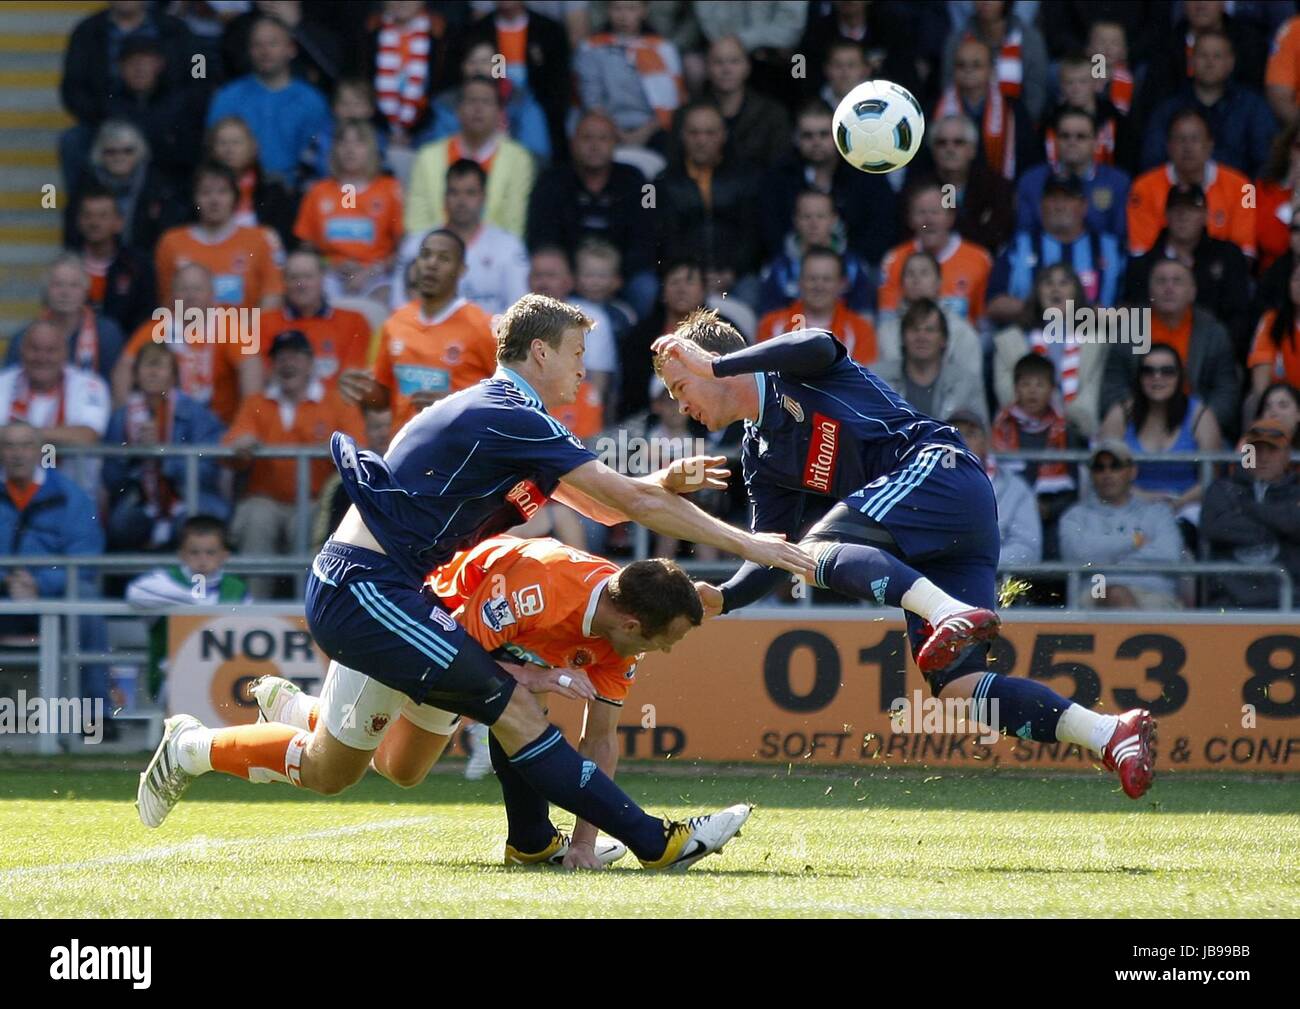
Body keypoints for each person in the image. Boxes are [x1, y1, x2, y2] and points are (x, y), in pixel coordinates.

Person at [140, 291, 813, 869]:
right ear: (540, 354)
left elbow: (607, 502)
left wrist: (658, 483)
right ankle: (653, 840)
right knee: (515, 709)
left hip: (396, 590)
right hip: (366, 587)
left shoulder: (523, 421)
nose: (584, 372)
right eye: (576, 356)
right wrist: (747, 541)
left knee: (350, 768)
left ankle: (193, 745)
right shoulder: (512, 414)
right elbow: (626, 505)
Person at [655, 315, 1155, 798]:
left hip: (941, 471)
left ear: (712, 361)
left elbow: (818, 341)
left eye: (681, 387)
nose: (681, 406)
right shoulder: (761, 456)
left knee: (821, 548)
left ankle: (948, 614)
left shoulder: (791, 368)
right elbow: (771, 551)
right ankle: (1108, 733)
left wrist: (714, 366)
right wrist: (722, 598)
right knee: (958, 687)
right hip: (935, 530)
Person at [249, 535, 708, 868]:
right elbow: (458, 657)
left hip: (478, 652)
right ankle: (195, 747)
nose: (664, 651)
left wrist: (585, 844)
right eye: (665, 641)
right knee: (332, 772)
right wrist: (534, 676)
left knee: (403, 771)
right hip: (420, 624)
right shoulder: (539, 589)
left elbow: (600, 740)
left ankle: (301, 710)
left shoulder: (621, 639)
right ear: (630, 624)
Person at [223, 330, 366, 598]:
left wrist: (335, 450)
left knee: (311, 522)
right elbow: (230, 450)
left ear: (311, 363)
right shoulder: (257, 403)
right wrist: (241, 445)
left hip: (315, 501)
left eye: (296, 356)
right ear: (272, 365)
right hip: (265, 499)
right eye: (281, 357)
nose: (288, 363)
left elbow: (358, 451)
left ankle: (308, 612)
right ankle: (253, 612)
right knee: (256, 519)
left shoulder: (337, 401)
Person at [0, 420, 109, 716]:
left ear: (39, 451)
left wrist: (39, 584)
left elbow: (86, 558)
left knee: (86, 600)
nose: (17, 454)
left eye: (25, 445)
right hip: (4, 593)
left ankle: (96, 713)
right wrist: (7, 581)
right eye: (9, 445)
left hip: (53, 595)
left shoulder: (71, 496)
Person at [340, 230, 497, 434]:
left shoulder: (482, 326)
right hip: (405, 455)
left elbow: (513, 398)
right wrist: (361, 390)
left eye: (444, 258)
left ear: (461, 270)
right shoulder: (395, 323)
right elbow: (384, 398)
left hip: (461, 457)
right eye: (425, 255)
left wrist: (458, 406)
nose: (431, 264)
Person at [526, 110, 657, 320]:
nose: (595, 145)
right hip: (569, 275)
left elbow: (648, 234)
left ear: (615, 142)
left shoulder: (636, 180)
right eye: (587, 137)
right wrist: (574, 276)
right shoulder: (551, 181)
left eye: (603, 138)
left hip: (621, 274)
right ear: (573, 142)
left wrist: (614, 275)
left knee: (647, 288)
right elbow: (542, 237)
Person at [103, 342, 227, 551]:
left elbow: (208, 471)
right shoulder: (121, 418)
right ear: (135, 375)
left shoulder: (197, 415)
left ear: (173, 376)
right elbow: (112, 478)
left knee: (192, 525)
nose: (153, 372)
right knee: (121, 525)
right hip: (141, 501)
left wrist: (164, 454)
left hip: (190, 496)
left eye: (160, 366)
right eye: (147, 365)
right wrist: (133, 455)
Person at [1102, 259, 1240, 437]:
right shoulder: (1129, 329)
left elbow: (1226, 390)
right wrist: (1140, 419)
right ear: (1150, 291)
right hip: (1138, 426)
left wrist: (1201, 422)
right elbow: (1113, 386)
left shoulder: (1213, 332)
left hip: (1197, 427)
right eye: (1161, 281)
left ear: (1192, 292)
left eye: (1177, 281)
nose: (1169, 288)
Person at [114, 263, 264, 427]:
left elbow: (251, 367)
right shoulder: (159, 326)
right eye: (183, 289)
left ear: (212, 295)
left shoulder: (229, 326)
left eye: (198, 289)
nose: (191, 295)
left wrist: (245, 424)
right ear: (172, 296)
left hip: (219, 428)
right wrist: (131, 419)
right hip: (167, 427)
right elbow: (125, 367)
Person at [125, 515, 250, 702]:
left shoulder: (237, 588)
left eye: (210, 553)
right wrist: (198, 604)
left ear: (225, 555)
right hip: (169, 679)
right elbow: (135, 593)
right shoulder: (163, 580)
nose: (202, 560)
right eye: (194, 552)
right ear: (182, 554)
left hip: (223, 677)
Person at [761, 100, 898, 270]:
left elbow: (881, 228)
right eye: (807, 135)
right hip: (793, 268)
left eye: (824, 134)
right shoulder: (779, 177)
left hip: (856, 268)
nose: (816, 142)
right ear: (796, 139)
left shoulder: (866, 174)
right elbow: (772, 232)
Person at [1099, 343, 1222, 529]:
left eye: (1167, 371)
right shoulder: (1120, 414)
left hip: (1186, 508)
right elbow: (1102, 472)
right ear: (1139, 377)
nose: (1157, 377)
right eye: (1149, 371)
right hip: (1128, 504)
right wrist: (1144, 498)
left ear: (1180, 376)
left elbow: (1210, 477)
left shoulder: (1201, 416)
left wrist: (1177, 502)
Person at [654, 101, 762, 309]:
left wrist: (731, 273)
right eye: (694, 133)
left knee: (751, 296)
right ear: (682, 136)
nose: (701, 140)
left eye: (709, 133)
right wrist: (695, 278)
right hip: (683, 277)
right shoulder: (665, 182)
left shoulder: (747, 178)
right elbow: (665, 239)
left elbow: (753, 235)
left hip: (736, 276)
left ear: (723, 135)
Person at [1124, 182, 1253, 355]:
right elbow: (1134, 317)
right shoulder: (1142, 265)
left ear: (1205, 215)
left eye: (1191, 209)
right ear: (1166, 215)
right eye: (1176, 210)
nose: (1182, 216)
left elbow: (1239, 315)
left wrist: (1216, 351)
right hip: (1152, 358)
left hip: (1213, 356)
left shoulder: (1228, 256)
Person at [391, 159, 530, 316]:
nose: (461, 201)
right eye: (454, 192)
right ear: (444, 196)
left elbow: (519, 309)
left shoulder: (509, 246)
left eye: (470, 193)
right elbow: (399, 306)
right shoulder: (415, 245)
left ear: (483, 197)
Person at [1059, 441, 1186, 610]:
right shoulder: (1075, 516)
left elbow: (1169, 555)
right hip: (1097, 591)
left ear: (1132, 471)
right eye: (1099, 467)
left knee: (1122, 595)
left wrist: (1104, 557)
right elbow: (1076, 555)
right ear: (1091, 474)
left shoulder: (1158, 513)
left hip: (1154, 593)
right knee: (1116, 594)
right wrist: (1135, 542)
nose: (1107, 473)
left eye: (1115, 466)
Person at [204, 15, 332, 183]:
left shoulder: (312, 101)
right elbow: (212, 154)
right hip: (237, 189)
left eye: (273, 43)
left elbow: (322, 159)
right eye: (258, 45)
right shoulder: (228, 97)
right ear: (249, 50)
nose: (265, 51)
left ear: (291, 48)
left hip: (295, 192)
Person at [986, 173, 1124, 326]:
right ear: (1040, 205)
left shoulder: (1110, 248)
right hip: (1030, 340)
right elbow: (993, 304)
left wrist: (1086, 312)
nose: (1059, 206)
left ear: (1084, 205)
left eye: (1068, 198)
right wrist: (1038, 308)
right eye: (1052, 198)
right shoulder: (1019, 246)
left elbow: (1132, 309)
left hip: (1096, 340)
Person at [405, 77, 535, 238]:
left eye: (486, 102)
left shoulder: (518, 159)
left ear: (499, 113)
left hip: (494, 255)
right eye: (471, 101)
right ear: (458, 110)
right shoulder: (428, 157)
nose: (478, 108)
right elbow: (417, 225)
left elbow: (514, 225)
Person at [1141, 30, 1276, 179]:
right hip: (1179, 197)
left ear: (1230, 63)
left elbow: (1266, 163)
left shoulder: (1252, 107)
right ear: (1191, 61)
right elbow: (1152, 162)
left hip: (1238, 196)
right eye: (1203, 56)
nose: (1209, 63)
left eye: (1217, 56)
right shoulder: (1168, 109)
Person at [294, 119, 403, 304]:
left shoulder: (390, 190)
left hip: (377, 275)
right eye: (343, 142)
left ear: (371, 149)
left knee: (387, 296)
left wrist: (371, 271)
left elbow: (402, 247)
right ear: (334, 149)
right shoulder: (318, 192)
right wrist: (330, 266)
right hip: (329, 275)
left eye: (359, 142)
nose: (350, 149)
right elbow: (306, 247)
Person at [992, 262, 1106, 439]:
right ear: (1037, 292)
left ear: (1076, 293)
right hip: (1021, 434)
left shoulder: (1097, 341)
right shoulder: (1009, 340)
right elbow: (1006, 391)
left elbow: (1093, 392)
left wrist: (1062, 421)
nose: (1055, 289)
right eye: (1048, 283)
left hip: (1077, 435)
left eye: (1064, 283)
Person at [0, 319, 111, 498]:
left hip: (72, 497)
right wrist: (51, 436)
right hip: (7, 497)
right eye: (34, 349)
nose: (42, 358)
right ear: (21, 350)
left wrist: (19, 436)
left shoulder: (89, 385)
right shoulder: (3, 383)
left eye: (51, 350)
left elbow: (86, 436)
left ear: (65, 353)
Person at [154, 161, 284, 313]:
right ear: (195, 198)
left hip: (248, 334)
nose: (214, 200)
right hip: (189, 333)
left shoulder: (262, 239)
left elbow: (273, 297)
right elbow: (167, 301)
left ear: (235, 197)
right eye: (206, 192)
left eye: (223, 192)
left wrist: (238, 334)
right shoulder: (171, 242)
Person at [1127, 109, 1256, 258]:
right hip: (1164, 275)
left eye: (1195, 139)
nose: (1187, 147)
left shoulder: (1244, 187)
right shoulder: (1142, 188)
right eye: (1180, 139)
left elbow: (1245, 253)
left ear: (1210, 144)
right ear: (1168, 146)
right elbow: (1141, 252)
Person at [1202, 419, 1300, 609]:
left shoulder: (1296, 492)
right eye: (1256, 449)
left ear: (1287, 455)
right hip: (1230, 603)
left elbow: (1294, 523)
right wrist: (1277, 525)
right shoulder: (1222, 488)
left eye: (1271, 450)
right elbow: (1216, 527)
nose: (1262, 457)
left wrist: (1247, 508)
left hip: (1290, 602)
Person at [63, 119, 188, 256]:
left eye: (127, 151)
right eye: (111, 152)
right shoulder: (86, 185)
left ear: (140, 152)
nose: (119, 157)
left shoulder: (156, 185)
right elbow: (72, 232)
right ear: (99, 154)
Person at [260, 250, 373, 396]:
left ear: (322, 279)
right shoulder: (264, 323)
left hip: (336, 411)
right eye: (294, 278)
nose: (301, 284)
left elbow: (352, 382)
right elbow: (265, 380)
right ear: (284, 283)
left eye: (308, 277)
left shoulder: (354, 322)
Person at [878, 181, 993, 324]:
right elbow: (887, 321)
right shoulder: (894, 260)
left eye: (935, 212)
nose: (929, 221)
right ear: (910, 219)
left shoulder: (979, 259)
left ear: (950, 217)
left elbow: (985, 324)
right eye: (921, 212)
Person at [575, 0, 684, 152]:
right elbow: (591, 101)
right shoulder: (590, 47)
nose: (623, 16)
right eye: (617, 8)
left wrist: (642, 134)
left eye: (631, 8)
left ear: (644, 11)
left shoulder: (663, 48)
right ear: (608, 10)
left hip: (652, 128)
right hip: (605, 127)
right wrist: (618, 133)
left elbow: (670, 103)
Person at [5, 255, 125, 384]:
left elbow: (116, 388)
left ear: (86, 291)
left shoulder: (107, 333)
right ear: (46, 290)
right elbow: (9, 385)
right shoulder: (24, 338)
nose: (65, 292)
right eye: (58, 285)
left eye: (74, 285)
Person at [674, 35, 790, 167]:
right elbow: (675, 166)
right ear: (707, 67)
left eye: (734, 61)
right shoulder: (686, 114)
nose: (726, 70)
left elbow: (781, 168)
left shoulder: (773, 114)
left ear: (748, 66)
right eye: (718, 62)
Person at [933, 36, 1039, 181]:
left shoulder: (1013, 110)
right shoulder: (935, 109)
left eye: (976, 65)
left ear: (991, 69)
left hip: (997, 193)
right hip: (947, 191)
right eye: (961, 65)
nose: (968, 70)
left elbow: (1028, 158)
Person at [1016, 106, 1130, 240]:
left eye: (1080, 137)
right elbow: (1024, 236)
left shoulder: (1118, 182)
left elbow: (1120, 237)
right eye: (1065, 136)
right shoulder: (1032, 181)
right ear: (1055, 140)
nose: (1072, 142)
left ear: (1095, 142)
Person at [947, 409, 1041, 568]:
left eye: (970, 434)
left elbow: (1028, 550)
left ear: (986, 442)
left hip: (996, 584)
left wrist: (976, 564)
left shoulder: (1015, 488)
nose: (961, 442)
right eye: (954, 435)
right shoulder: (925, 484)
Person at [759, 189, 873, 315]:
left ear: (834, 219)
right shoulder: (779, 269)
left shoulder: (853, 267)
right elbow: (769, 321)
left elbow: (864, 317)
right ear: (795, 220)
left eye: (821, 216)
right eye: (806, 217)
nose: (813, 224)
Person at [756, 247, 876, 367]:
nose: (819, 286)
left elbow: (865, 381)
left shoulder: (861, 330)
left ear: (842, 284)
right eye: (812, 279)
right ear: (799, 282)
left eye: (827, 279)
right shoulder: (771, 325)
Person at [67, 183, 157, 335]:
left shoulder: (138, 266)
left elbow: (147, 319)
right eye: (87, 215)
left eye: (102, 216)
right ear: (79, 222)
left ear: (119, 223)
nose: (94, 223)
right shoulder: (66, 266)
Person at [876, 250, 982, 374]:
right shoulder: (886, 332)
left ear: (939, 282)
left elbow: (970, 382)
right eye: (910, 274)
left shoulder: (961, 330)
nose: (916, 279)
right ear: (902, 284)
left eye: (924, 273)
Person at [925, 113, 1015, 254]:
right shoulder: (920, 190)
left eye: (958, 142)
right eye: (941, 143)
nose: (950, 149)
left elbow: (998, 234)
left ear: (972, 150)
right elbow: (921, 229)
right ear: (933, 150)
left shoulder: (996, 187)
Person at [205, 116, 298, 249]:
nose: (229, 149)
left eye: (236, 142)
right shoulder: (199, 189)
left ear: (253, 147)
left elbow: (285, 240)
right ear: (212, 150)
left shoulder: (272, 189)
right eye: (222, 143)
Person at [1245, 261, 1300, 419]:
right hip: (1282, 402)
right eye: (1296, 279)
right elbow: (1261, 369)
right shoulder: (1272, 320)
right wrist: (1271, 408)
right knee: (1252, 402)